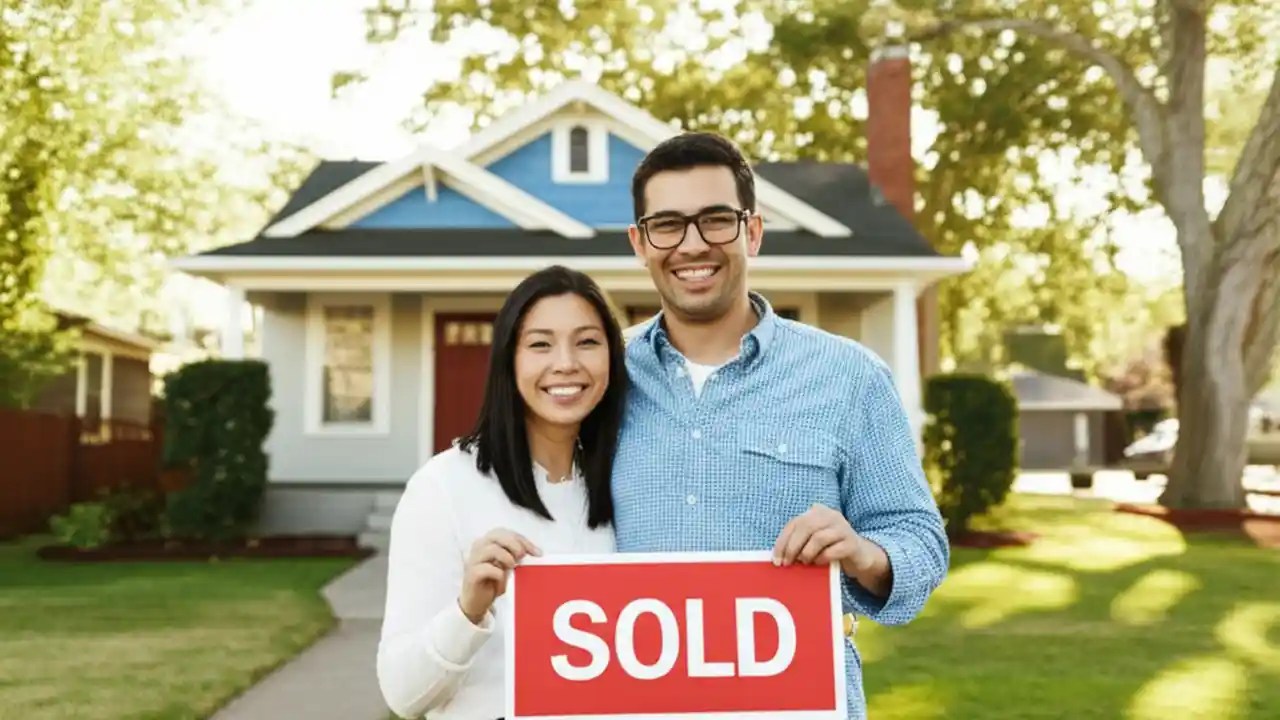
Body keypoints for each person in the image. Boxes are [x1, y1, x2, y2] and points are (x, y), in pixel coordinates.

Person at [611, 132, 950, 719]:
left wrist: (863, 552)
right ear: (640, 243)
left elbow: (920, 539)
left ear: (754, 232)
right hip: (639, 704)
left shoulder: (849, 376)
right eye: (667, 225)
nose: (693, 245)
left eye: (716, 219)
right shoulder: (601, 381)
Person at [377, 266, 627, 720]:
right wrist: (468, 611)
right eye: (540, 344)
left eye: (588, 341)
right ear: (509, 360)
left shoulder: (627, 483)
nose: (566, 362)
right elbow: (402, 694)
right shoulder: (442, 488)